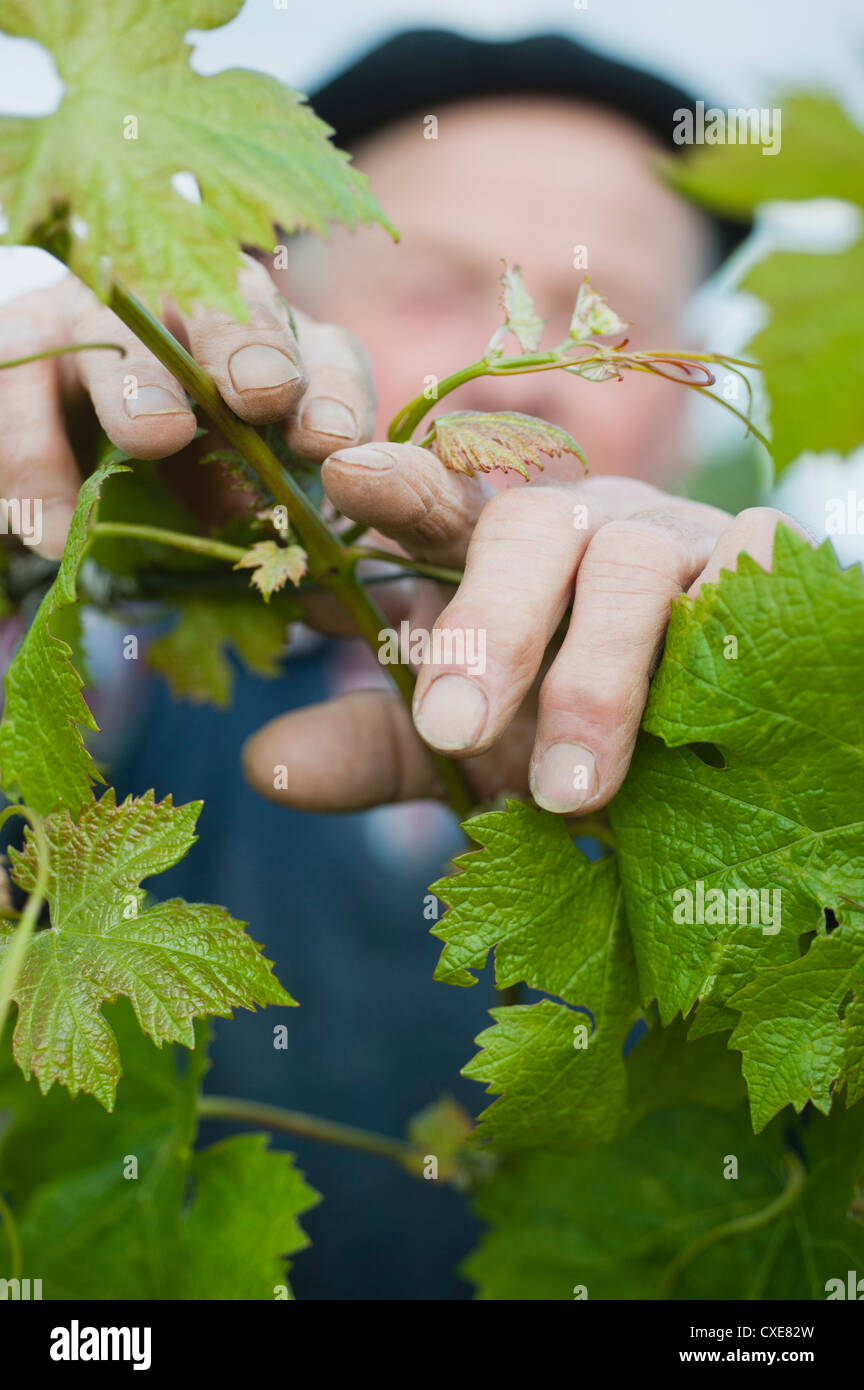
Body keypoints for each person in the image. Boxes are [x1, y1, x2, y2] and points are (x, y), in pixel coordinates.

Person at [0, 30, 805, 1299]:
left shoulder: (790, 774)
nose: (534, 377)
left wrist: (789, 742)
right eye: (441, 285)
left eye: (611, 325)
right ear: (286, 311)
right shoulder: (108, 673)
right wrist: (41, 511)